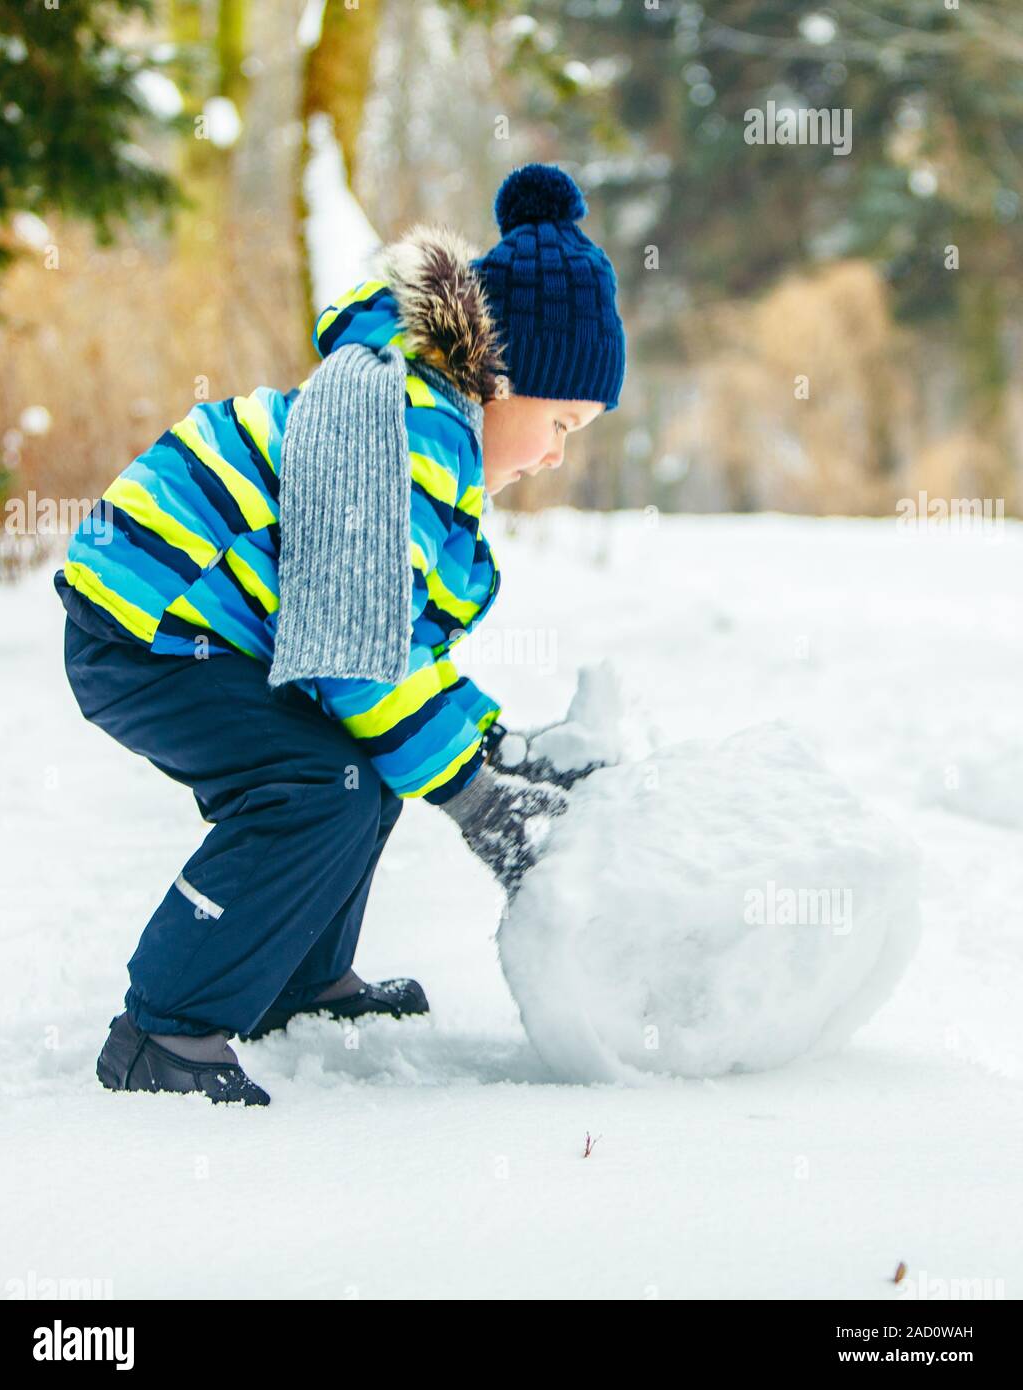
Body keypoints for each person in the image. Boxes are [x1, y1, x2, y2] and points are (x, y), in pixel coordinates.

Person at [55, 162, 626, 1106]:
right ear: (507, 380)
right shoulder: (403, 427)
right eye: (560, 421)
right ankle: (165, 1031)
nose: (559, 451)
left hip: (217, 629)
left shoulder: (424, 417)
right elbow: (366, 667)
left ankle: (292, 979)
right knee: (315, 785)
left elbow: (390, 645)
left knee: (362, 771)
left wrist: (491, 746)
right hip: (150, 625)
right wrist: (480, 801)